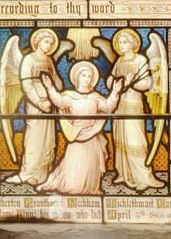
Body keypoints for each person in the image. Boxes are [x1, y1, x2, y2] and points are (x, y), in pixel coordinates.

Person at [37, 60, 119, 195]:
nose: (87, 79)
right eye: (83, 75)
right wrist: (50, 87)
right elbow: (59, 102)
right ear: (77, 77)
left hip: (93, 135)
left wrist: (115, 92)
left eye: (89, 76)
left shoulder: (96, 97)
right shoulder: (70, 96)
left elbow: (108, 107)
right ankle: (72, 187)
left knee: (91, 165)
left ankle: (91, 188)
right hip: (76, 134)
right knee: (75, 169)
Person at [2, 29, 61, 187]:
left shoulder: (48, 61)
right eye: (46, 42)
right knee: (34, 139)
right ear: (38, 42)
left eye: (51, 43)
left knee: (49, 140)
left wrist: (58, 94)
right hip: (36, 105)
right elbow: (27, 85)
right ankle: (27, 173)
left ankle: (43, 174)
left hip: (50, 104)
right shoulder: (29, 59)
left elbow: (57, 81)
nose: (49, 45)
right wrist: (41, 103)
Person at [108, 29, 164, 192]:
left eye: (124, 42)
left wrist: (132, 83)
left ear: (132, 44)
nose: (120, 45)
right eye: (119, 42)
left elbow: (147, 82)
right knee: (121, 139)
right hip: (119, 105)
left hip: (133, 104)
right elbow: (112, 78)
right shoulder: (119, 61)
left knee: (135, 139)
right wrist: (114, 82)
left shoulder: (140, 60)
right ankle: (124, 174)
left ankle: (143, 176)